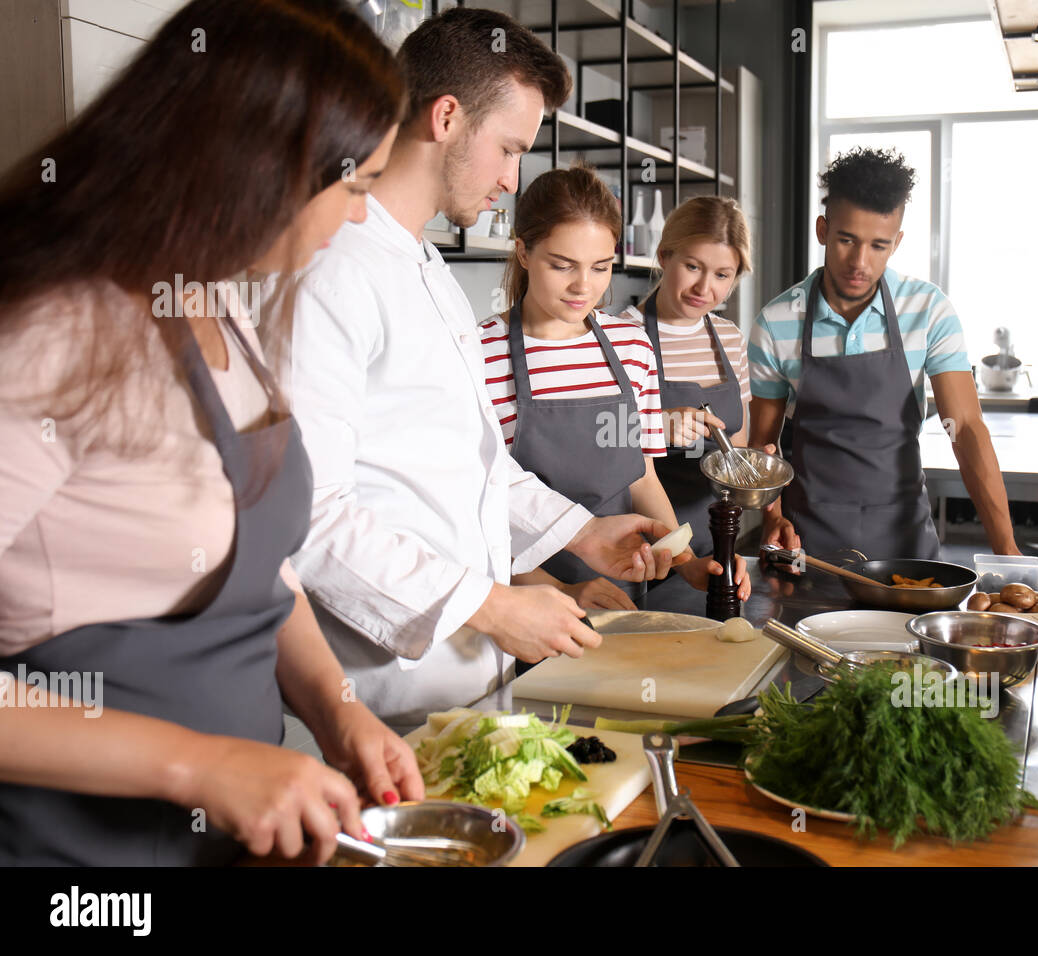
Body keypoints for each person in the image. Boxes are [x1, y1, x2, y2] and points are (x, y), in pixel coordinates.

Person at [0, 0, 422, 866]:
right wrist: (197, 766)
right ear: (258, 163)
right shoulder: (54, 336)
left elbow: (262, 573)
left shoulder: (219, 300)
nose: (352, 220)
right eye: (353, 187)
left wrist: (336, 709)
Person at [287, 8, 683, 730]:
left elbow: (477, 465)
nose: (512, 177)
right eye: (508, 149)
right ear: (446, 117)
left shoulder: (429, 266)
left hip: (470, 673)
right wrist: (495, 605)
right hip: (383, 691)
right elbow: (309, 516)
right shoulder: (336, 267)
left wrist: (581, 534)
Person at [748, 147, 1038, 584]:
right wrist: (772, 519)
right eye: (846, 240)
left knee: (909, 653)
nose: (860, 262)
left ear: (897, 242)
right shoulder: (777, 321)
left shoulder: (928, 310)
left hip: (904, 542)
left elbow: (966, 428)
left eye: (879, 245)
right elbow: (763, 449)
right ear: (823, 230)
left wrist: (1007, 550)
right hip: (808, 545)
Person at [479, 168, 751, 606]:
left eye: (600, 267)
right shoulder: (481, 353)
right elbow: (482, 504)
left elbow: (640, 476)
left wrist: (686, 561)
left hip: (625, 588)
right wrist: (562, 591)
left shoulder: (630, 345)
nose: (583, 286)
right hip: (525, 598)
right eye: (562, 265)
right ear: (523, 252)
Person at [617, 195, 755, 560]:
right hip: (639, 545)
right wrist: (656, 425)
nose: (704, 288)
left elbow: (738, 443)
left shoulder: (730, 338)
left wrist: (751, 466)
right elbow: (595, 440)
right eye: (693, 266)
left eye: (722, 275)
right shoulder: (619, 335)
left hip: (716, 540)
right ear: (664, 256)